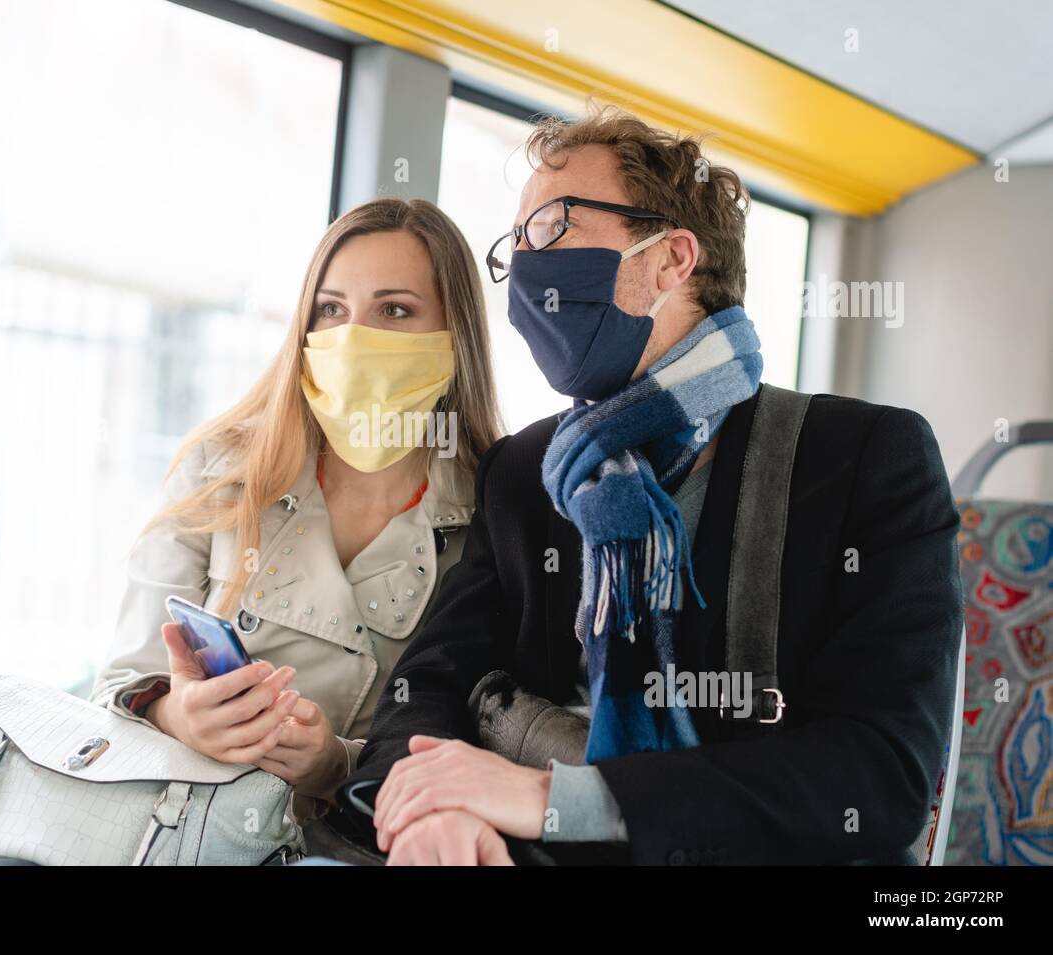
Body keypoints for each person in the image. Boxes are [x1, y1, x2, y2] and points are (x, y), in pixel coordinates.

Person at [331, 104, 964, 866]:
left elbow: (877, 773)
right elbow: (426, 687)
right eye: (515, 246)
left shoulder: (863, 459)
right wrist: (425, 811)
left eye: (554, 228)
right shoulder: (525, 473)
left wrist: (552, 799)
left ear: (671, 260)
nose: (526, 270)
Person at [88, 197, 501, 825]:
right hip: (170, 828)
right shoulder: (221, 468)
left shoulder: (494, 517)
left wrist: (332, 765)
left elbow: (480, 747)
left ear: (454, 334)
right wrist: (176, 713)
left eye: (395, 310)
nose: (353, 339)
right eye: (331, 310)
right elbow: (120, 684)